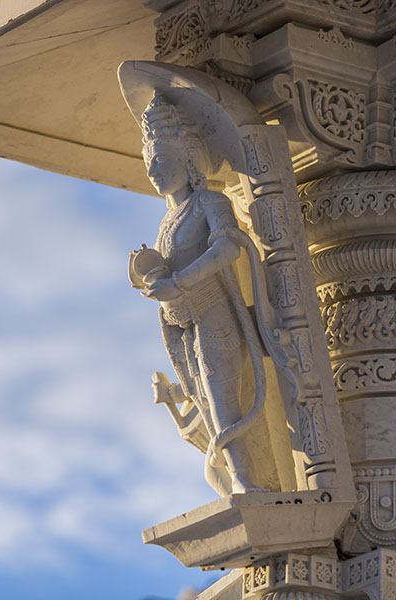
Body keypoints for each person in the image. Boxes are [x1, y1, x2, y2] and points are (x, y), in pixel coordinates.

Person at [130, 91, 261, 495]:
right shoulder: (168, 222)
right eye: (149, 162)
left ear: (189, 158)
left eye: (160, 159)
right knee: (201, 398)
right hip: (183, 322)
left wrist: (182, 281)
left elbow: (228, 247)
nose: (153, 170)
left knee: (220, 397)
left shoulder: (210, 202)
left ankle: (244, 479)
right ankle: (230, 475)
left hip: (214, 312)